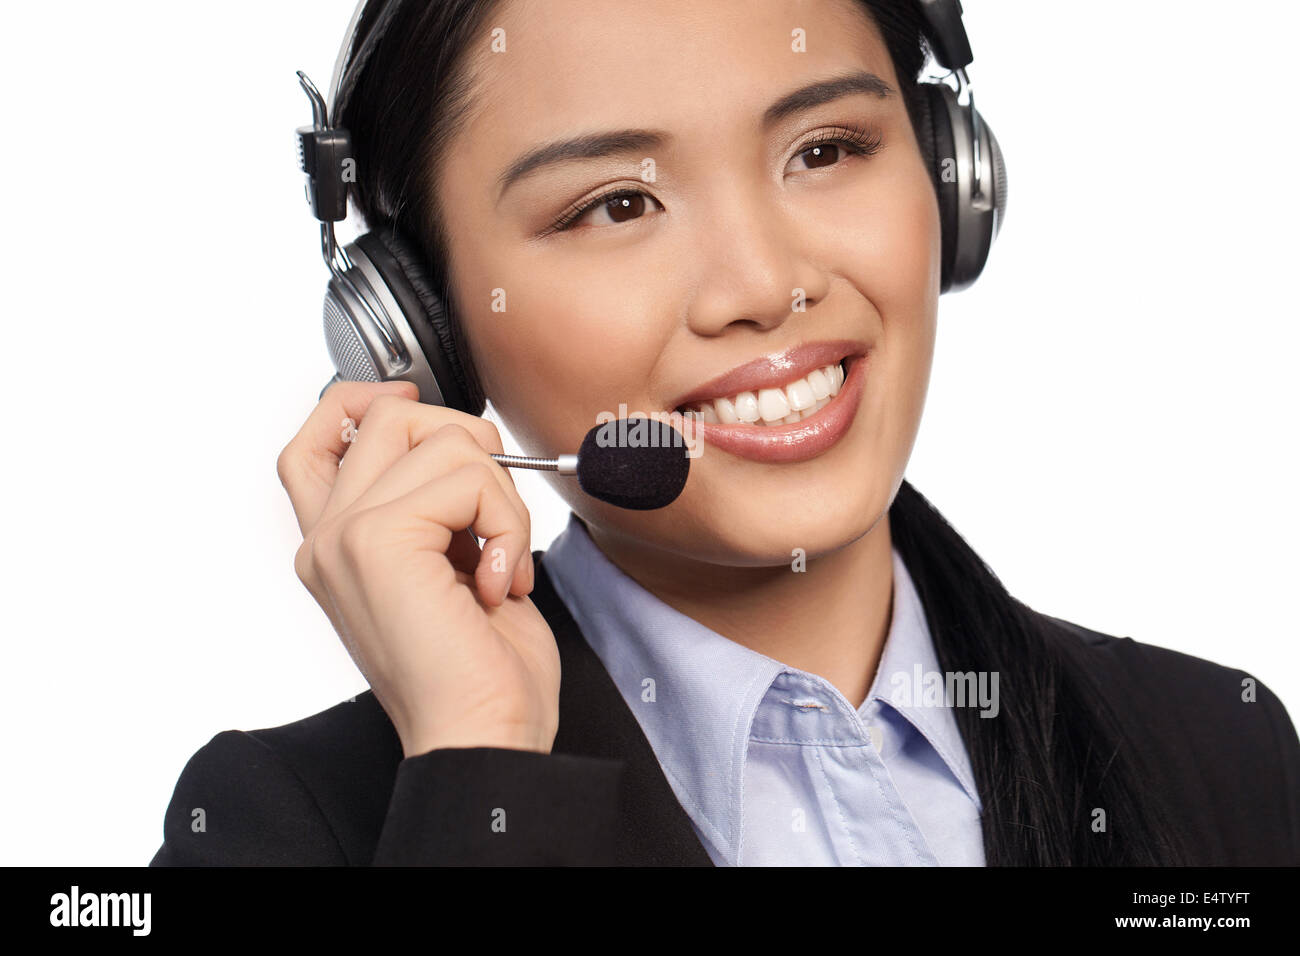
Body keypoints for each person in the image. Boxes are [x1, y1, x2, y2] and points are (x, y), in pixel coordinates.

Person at [150, 0, 1300, 866]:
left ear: (951, 177)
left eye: (826, 150)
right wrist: (482, 764)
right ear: (426, 324)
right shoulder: (284, 825)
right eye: (617, 204)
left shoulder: (1215, 753)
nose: (762, 284)